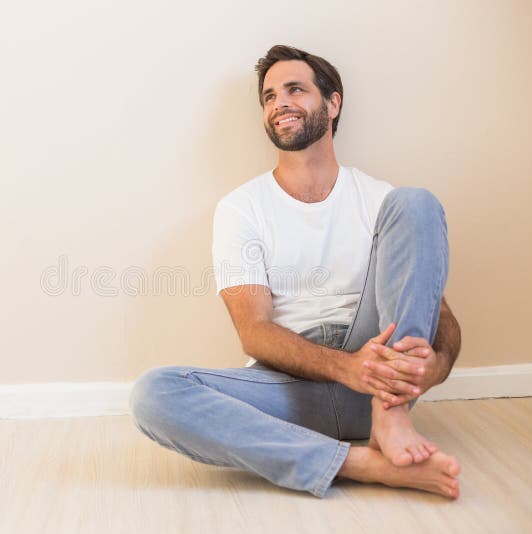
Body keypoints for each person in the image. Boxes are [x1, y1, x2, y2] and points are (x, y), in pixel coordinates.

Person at [130, 45, 462, 499]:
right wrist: (349, 369)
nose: (279, 102)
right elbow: (255, 332)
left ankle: (392, 415)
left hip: (377, 382)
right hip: (289, 392)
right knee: (155, 393)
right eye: (268, 96)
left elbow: (437, 315)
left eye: (295, 89)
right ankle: (361, 464)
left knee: (417, 200)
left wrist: (434, 368)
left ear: (333, 103)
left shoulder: (381, 201)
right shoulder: (242, 208)